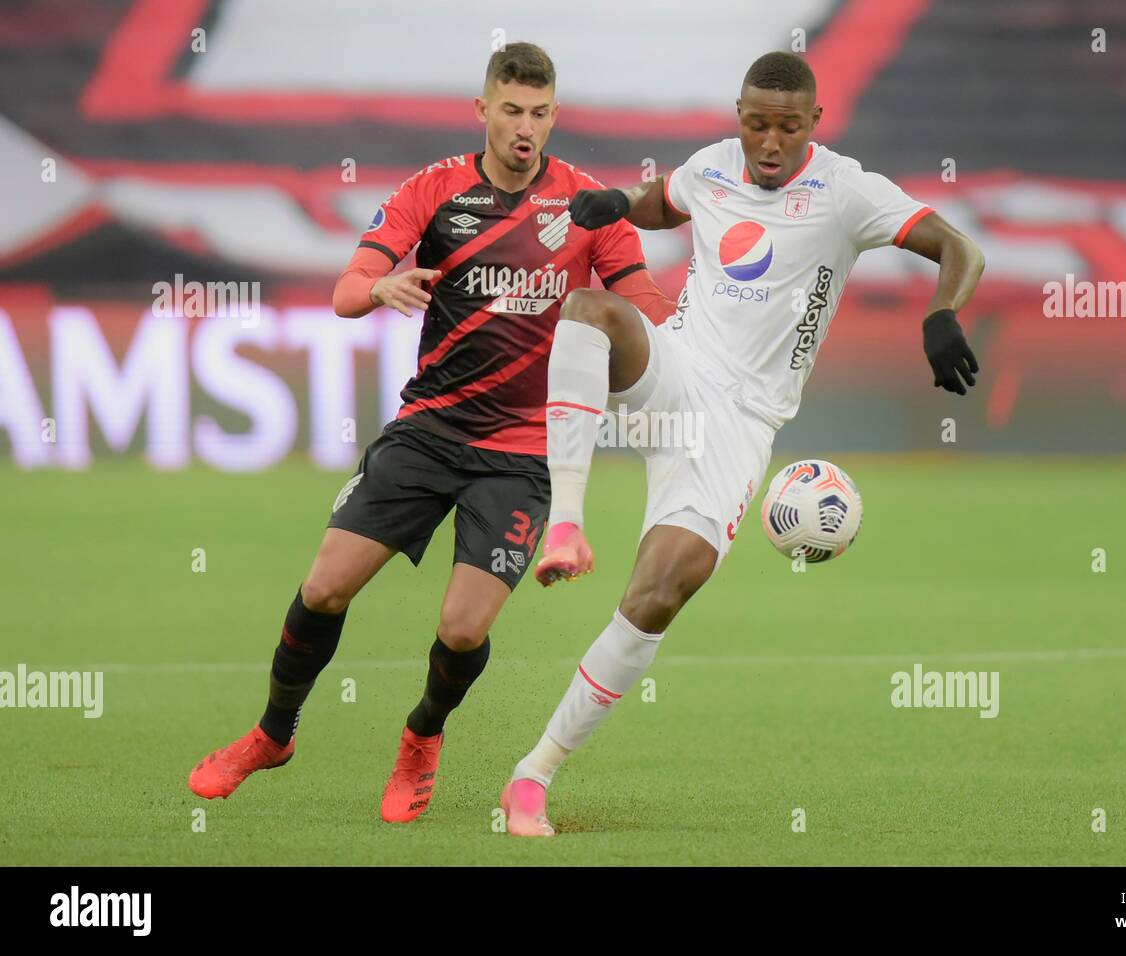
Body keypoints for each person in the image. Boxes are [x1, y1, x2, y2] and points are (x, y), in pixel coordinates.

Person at [187, 42, 674, 824]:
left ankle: (422, 735)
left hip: (520, 455)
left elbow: (645, 302)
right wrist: (379, 285)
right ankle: (273, 734)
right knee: (324, 586)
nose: (526, 126)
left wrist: (680, 333)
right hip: (428, 430)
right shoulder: (435, 190)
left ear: (555, 115)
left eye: (540, 113)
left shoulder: (586, 205)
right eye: (511, 110)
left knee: (461, 626)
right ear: (482, 110)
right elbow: (349, 291)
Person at [500, 51, 984, 836]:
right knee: (588, 308)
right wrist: (616, 203)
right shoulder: (714, 167)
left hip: (738, 425)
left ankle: (533, 773)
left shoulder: (847, 191)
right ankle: (566, 523)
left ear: (814, 125)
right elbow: (664, 203)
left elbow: (962, 248)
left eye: (786, 128)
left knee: (657, 594)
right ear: (738, 114)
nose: (768, 143)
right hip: (677, 369)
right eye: (755, 123)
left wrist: (942, 314)